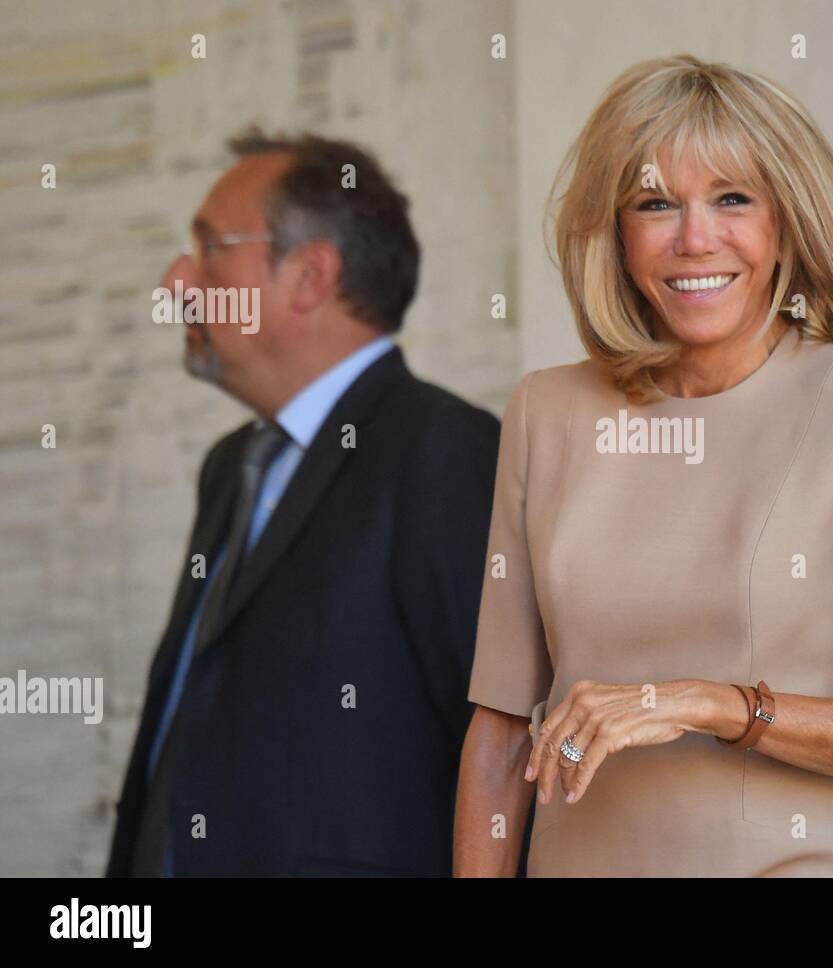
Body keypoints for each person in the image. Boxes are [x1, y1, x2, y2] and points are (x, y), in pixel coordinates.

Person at [454, 54, 833, 878]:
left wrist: (706, 702)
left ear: (785, 223)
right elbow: (502, 725)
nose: (695, 239)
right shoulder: (544, 411)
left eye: (733, 199)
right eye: (655, 204)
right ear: (616, 236)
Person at [107, 129, 499, 876]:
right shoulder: (233, 467)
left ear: (311, 276)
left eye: (210, 247)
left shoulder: (443, 452)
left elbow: (506, 750)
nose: (176, 281)